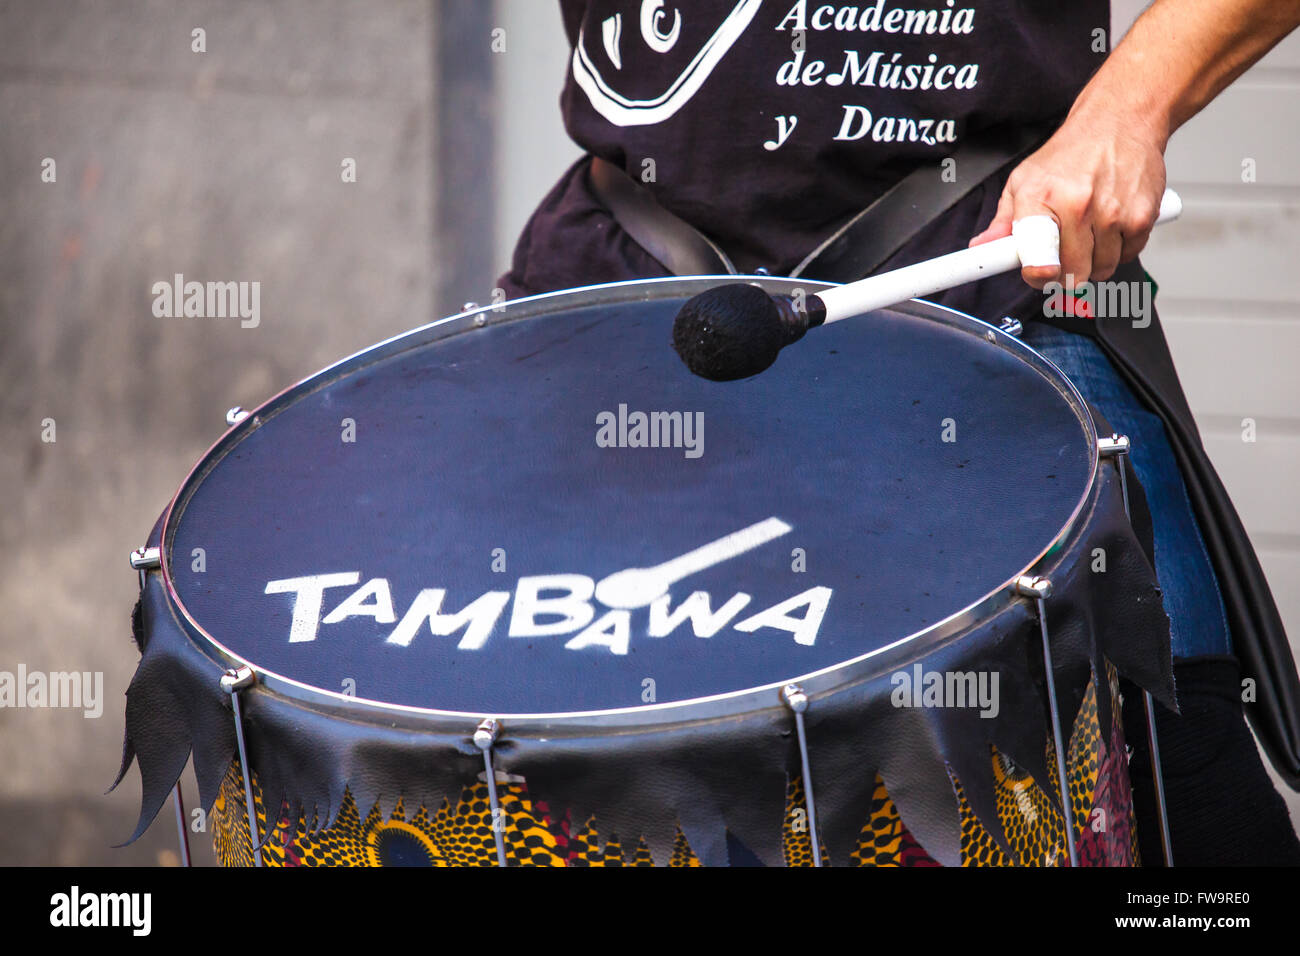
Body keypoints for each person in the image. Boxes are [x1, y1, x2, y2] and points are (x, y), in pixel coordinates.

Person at [497, 0, 1300, 864]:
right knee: (546, 772)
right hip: (626, 291)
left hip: (991, 269)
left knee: (1189, 779)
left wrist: (1127, 111)